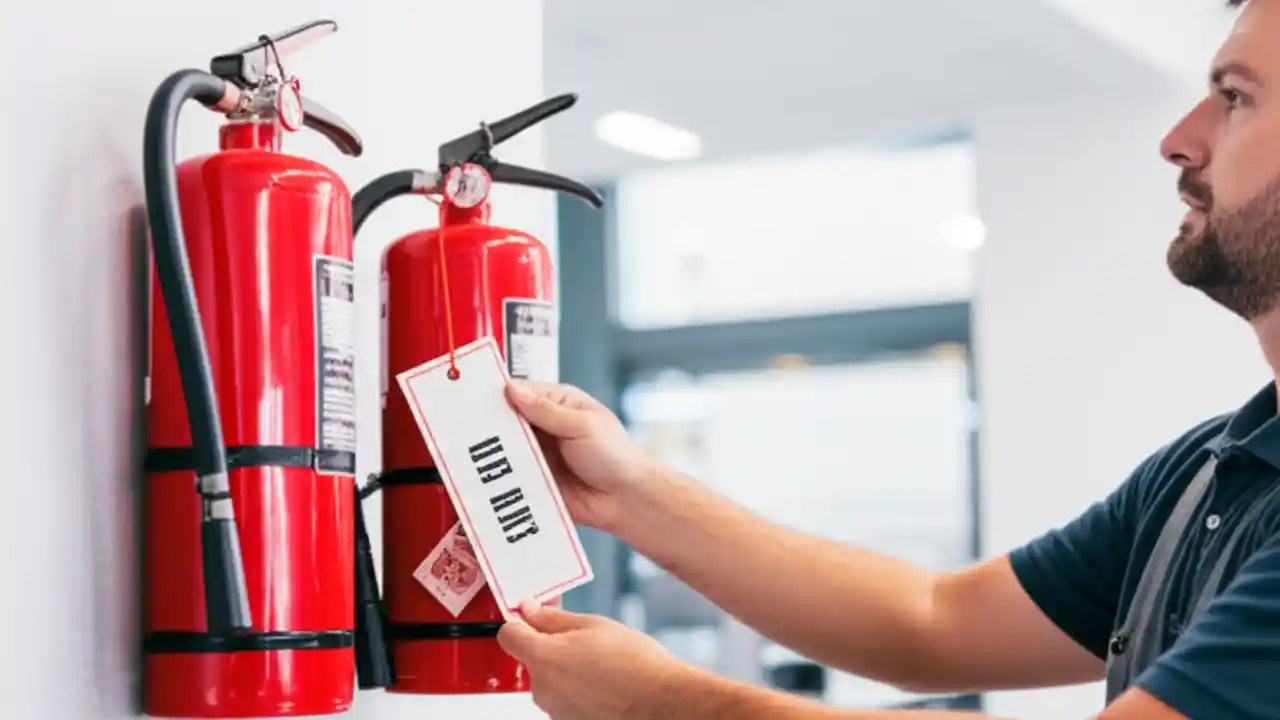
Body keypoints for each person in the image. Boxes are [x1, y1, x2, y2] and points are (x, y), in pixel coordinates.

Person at [495, 0, 1280, 717]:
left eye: (1236, 97)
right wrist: (630, 494)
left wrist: (654, 703)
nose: (1179, 137)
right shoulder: (1208, 473)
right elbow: (931, 624)